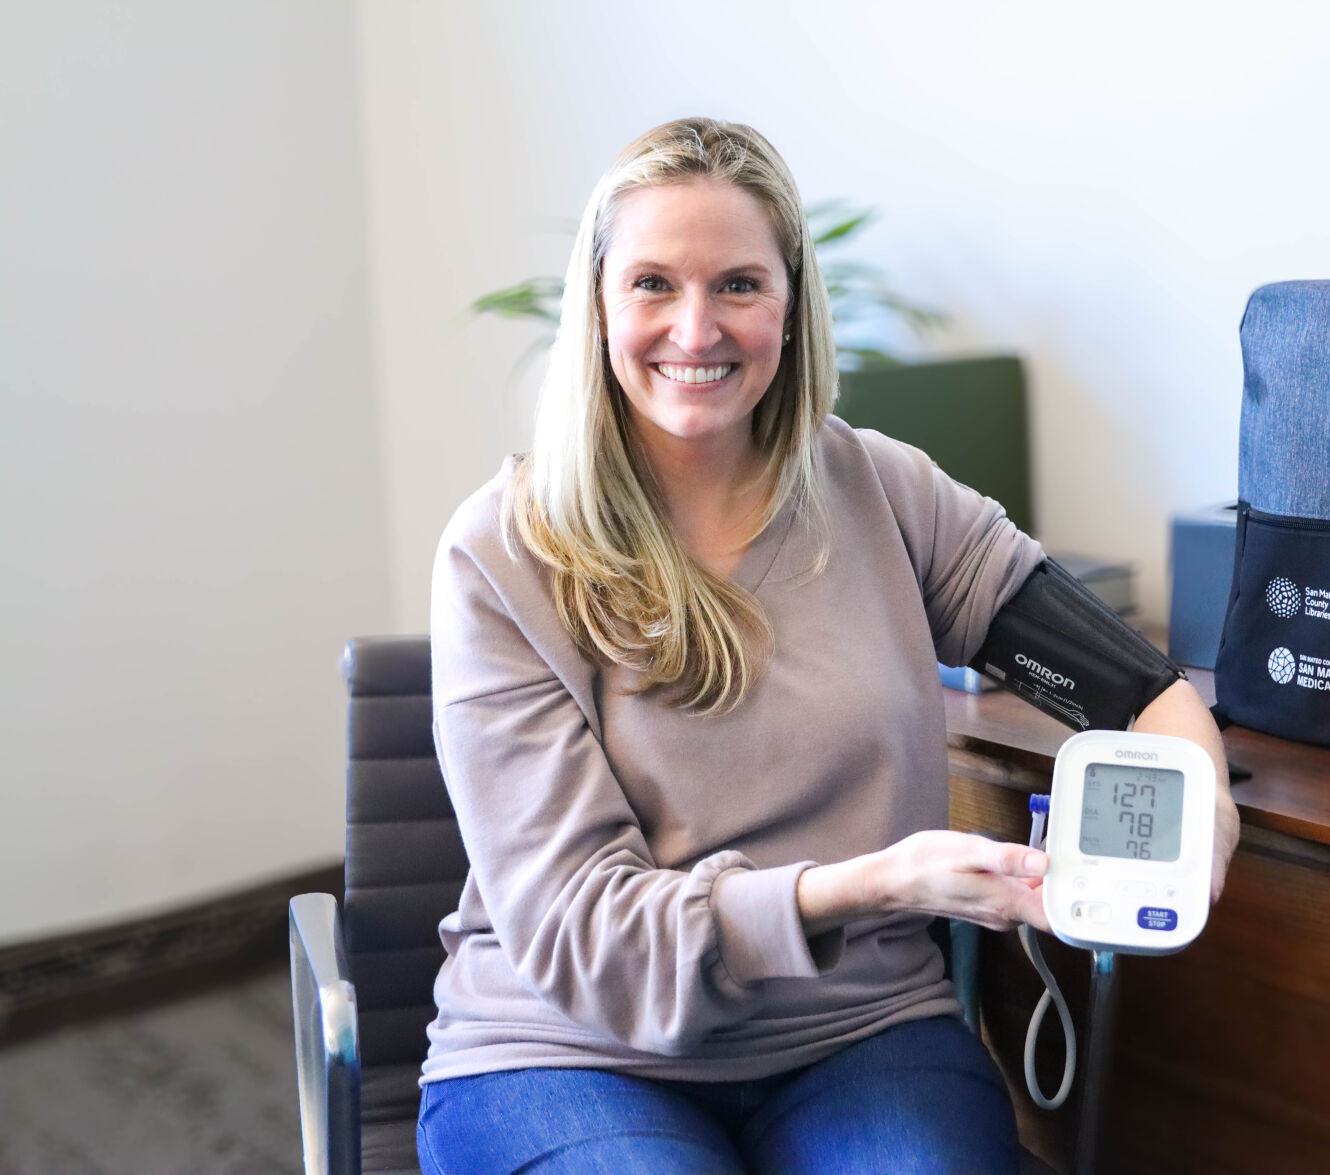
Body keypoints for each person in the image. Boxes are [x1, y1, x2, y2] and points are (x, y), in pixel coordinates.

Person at [415, 116, 1239, 1175]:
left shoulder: (884, 490)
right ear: (600, 303)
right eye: (653, 283)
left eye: (738, 285)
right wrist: (868, 885)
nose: (696, 328)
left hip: (856, 1030)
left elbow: (1134, 688)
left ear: (792, 303)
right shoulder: (502, 551)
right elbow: (590, 940)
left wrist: (1205, 811)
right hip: (569, 1049)